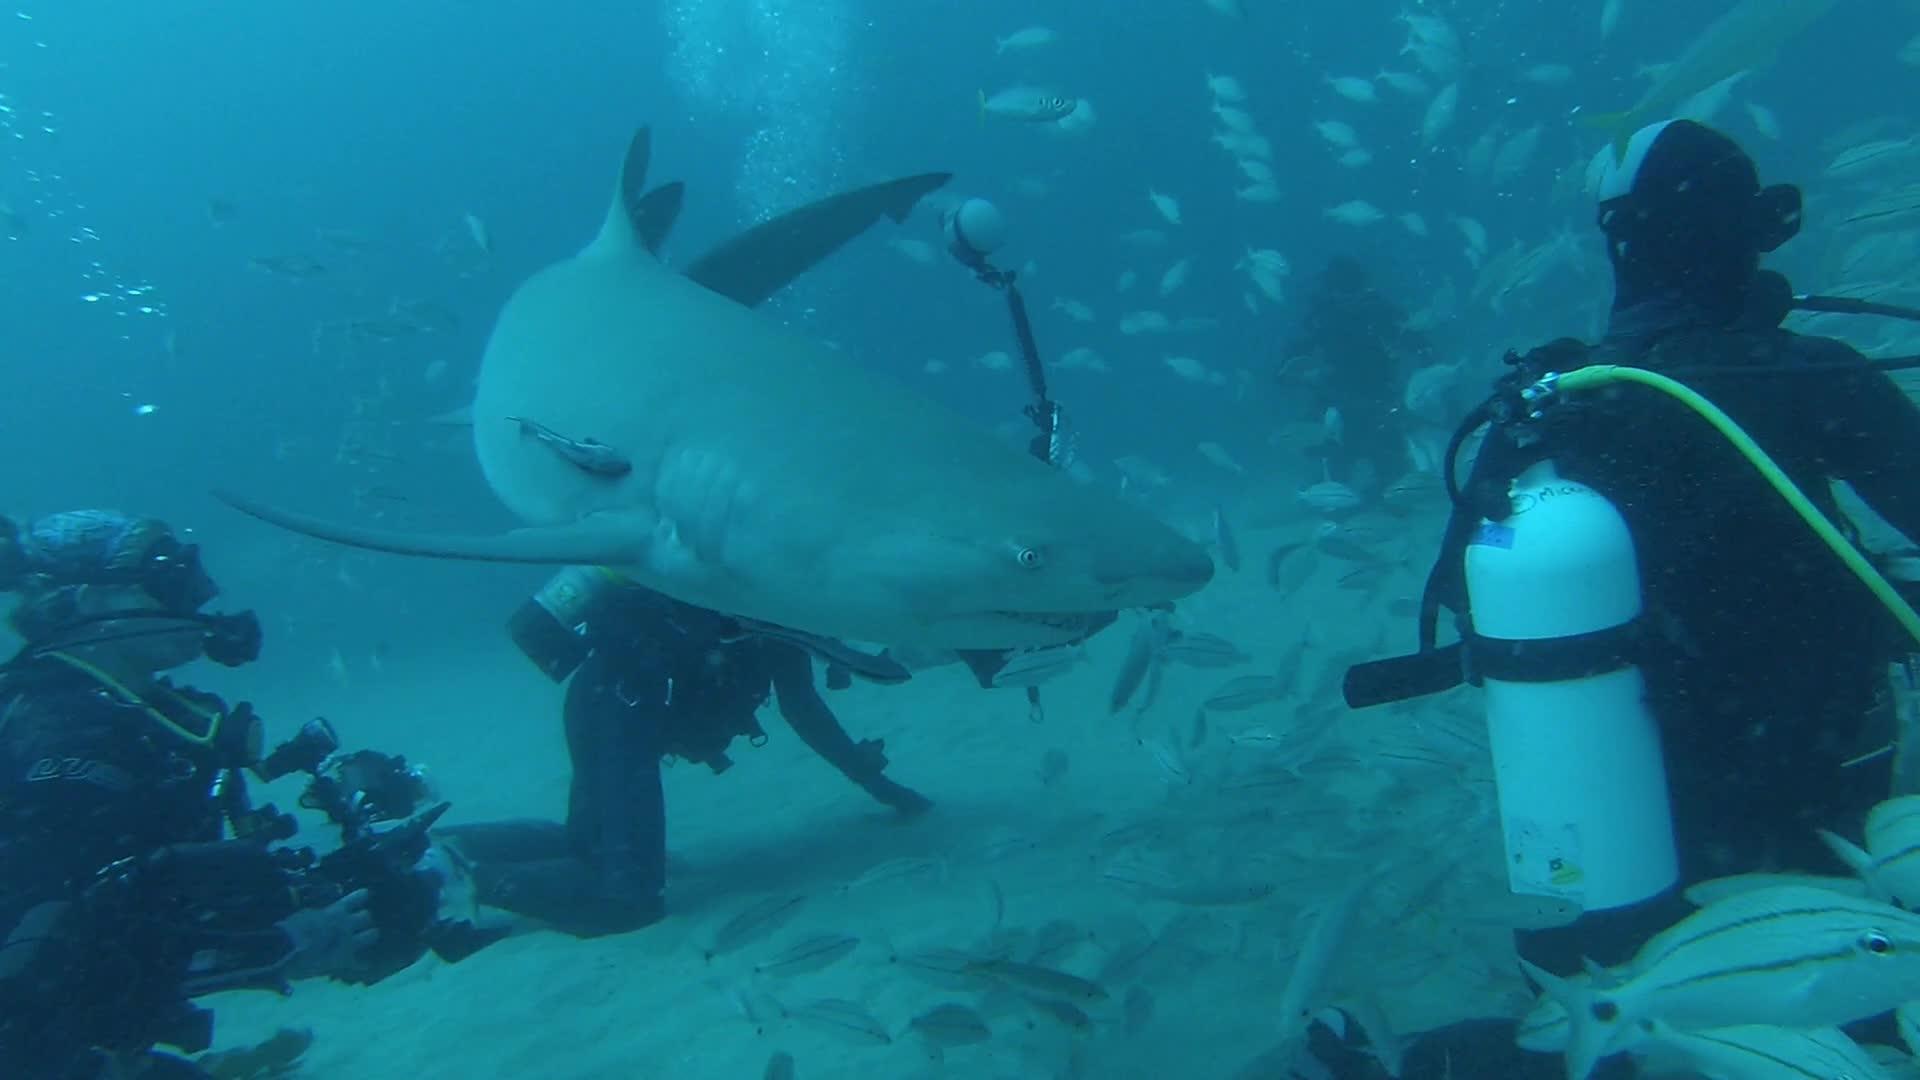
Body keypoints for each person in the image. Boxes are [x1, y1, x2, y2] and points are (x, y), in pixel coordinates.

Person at [1329, 120, 1920, 1077]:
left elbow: (1470, 609)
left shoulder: (1555, 400)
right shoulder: (1802, 374)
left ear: (1622, 246)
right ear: (1752, 230)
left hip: (1633, 766)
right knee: (1843, 1003)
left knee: (1654, 994)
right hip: (1814, 758)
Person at [0, 510, 492, 1079]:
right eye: (166, 580)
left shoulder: (129, 715)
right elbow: (51, 949)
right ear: (87, 601)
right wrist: (276, 947)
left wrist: (309, 892)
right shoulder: (61, 734)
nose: (199, 596)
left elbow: (147, 886)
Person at [443, 576, 932, 938]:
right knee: (629, 899)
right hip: (618, 713)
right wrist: (885, 790)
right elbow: (803, 711)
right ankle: (450, 882)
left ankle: (449, 847)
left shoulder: (776, 609)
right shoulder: (750, 594)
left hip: (609, 709)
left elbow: (803, 709)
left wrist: (886, 790)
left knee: (592, 850)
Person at [1282, 255, 1438, 493]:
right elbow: (1413, 339)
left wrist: (1291, 372)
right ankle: (1355, 494)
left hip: (1353, 393)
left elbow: (1299, 350)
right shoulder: (1363, 309)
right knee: (1356, 455)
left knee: (1363, 456)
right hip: (1361, 393)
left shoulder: (1334, 311)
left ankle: (1364, 494)